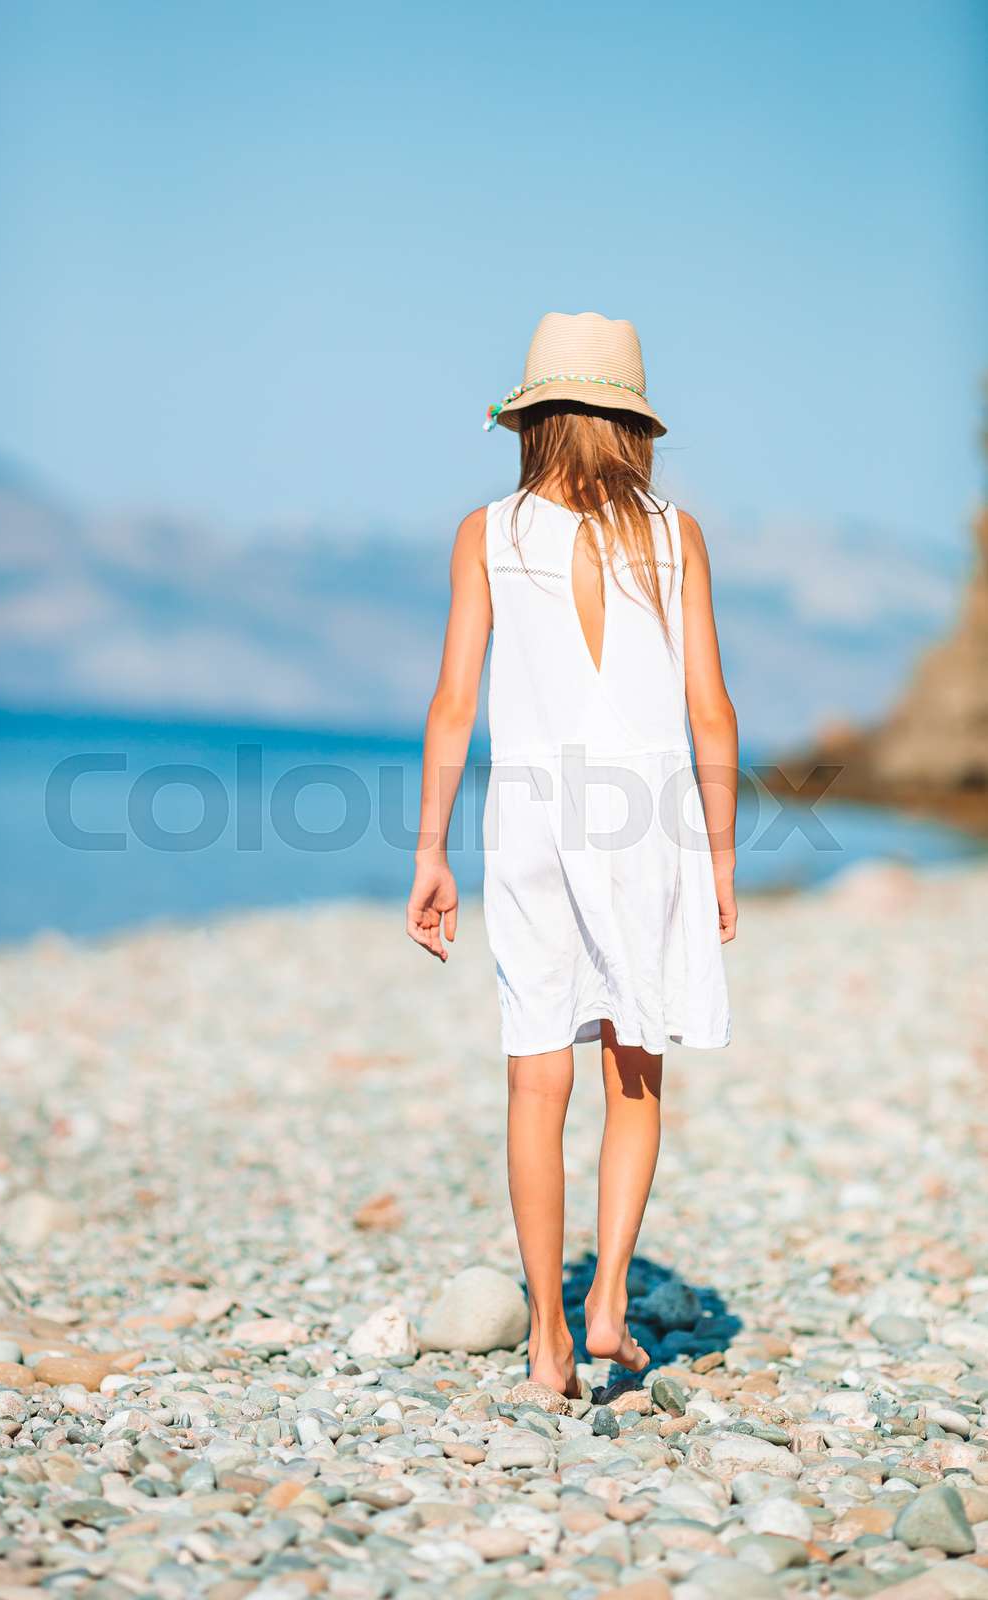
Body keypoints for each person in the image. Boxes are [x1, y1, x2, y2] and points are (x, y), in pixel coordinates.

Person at [406, 311, 736, 1397]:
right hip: (645, 812)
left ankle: (546, 1335)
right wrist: (721, 859)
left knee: (533, 1074)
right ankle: (605, 1308)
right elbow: (710, 716)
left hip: (534, 813)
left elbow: (454, 704)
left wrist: (429, 850)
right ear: (631, 425)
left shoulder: (486, 533)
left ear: (530, 419)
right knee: (633, 1069)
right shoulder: (672, 534)